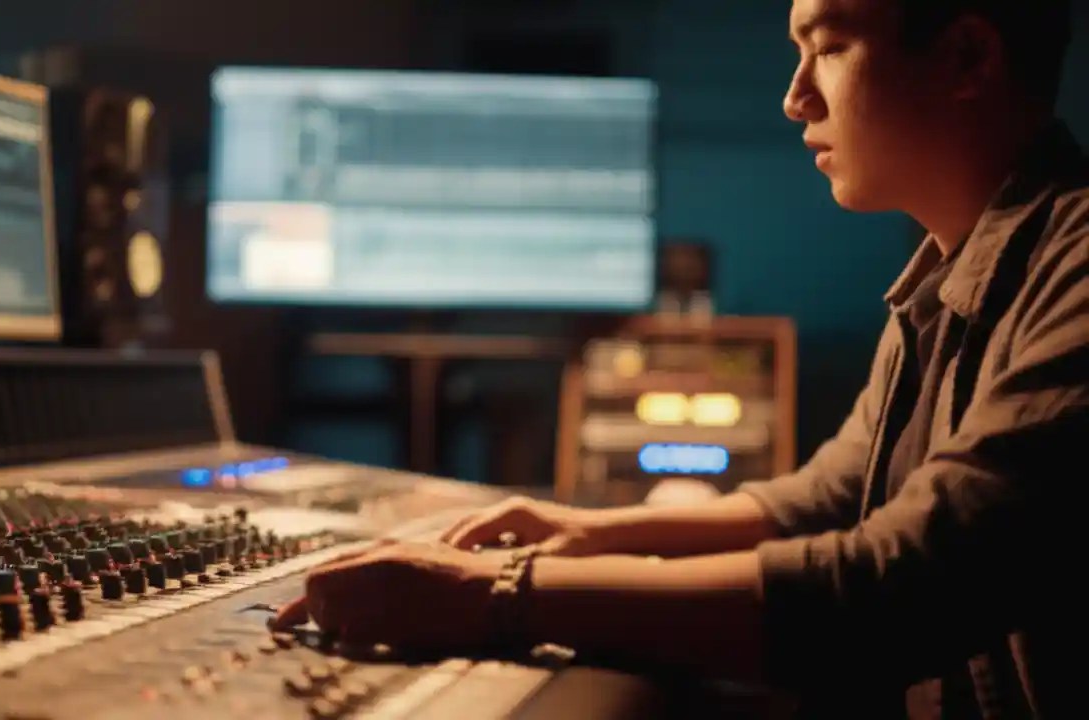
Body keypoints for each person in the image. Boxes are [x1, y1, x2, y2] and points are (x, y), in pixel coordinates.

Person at [274, 0, 1087, 716]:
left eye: (830, 47)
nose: (795, 95)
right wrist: (591, 531)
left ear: (966, 57)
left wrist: (502, 597)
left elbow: (897, 588)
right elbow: (830, 499)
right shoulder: (946, 280)